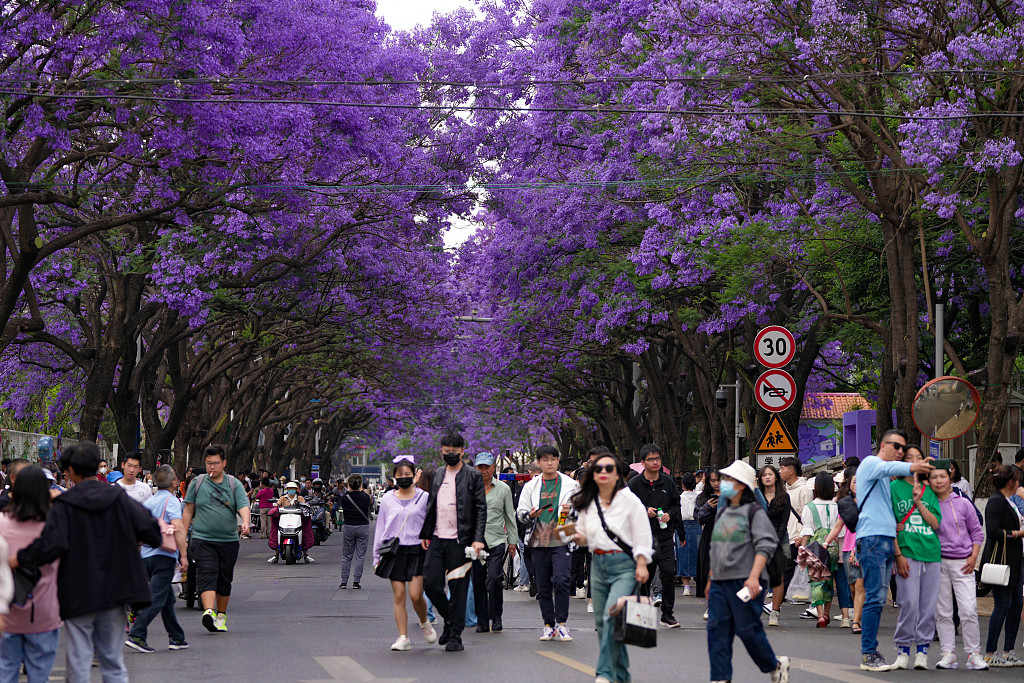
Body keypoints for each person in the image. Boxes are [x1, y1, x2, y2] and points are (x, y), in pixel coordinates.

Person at [14, 442, 161, 683]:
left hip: (77, 591)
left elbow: (49, 546)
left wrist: (18, 558)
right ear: (96, 467)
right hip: (116, 591)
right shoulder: (119, 499)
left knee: (79, 663)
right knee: (113, 662)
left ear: (70, 470)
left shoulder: (65, 505)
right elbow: (152, 531)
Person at [854, 429, 934, 671]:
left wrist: (898, 552)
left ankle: (871, 653)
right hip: (874, 540)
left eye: (903, 448)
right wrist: (914, 467)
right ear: (882, 445)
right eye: (897, 447)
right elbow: (891, 469)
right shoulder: (871, 463)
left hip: (885, 541)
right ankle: (868, 654)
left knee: (879, 599)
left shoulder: (884, 480)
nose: (900, 452)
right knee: (875, 599)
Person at [569, 453, 652, 683]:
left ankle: (604, 674)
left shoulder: (630, 501)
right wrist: (574, 536)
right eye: (598, 469)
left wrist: (642, 564)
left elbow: (643, 535)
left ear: (618, 475)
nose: (603, 473)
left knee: (611, 619)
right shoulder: (589, 502)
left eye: (609, 468)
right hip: (597, 566)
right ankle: (622, 676)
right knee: (603, 625)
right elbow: (584, 535)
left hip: (625, 566)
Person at [707, 460, 790, 683]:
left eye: (728, 480)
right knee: (716, 629)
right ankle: (720, 678)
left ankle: (775, 665)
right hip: (720, 582)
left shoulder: (754, 512)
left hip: (745, 581)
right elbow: (716, 547)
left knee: (748, 630)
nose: (723, 483)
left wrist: (754, 577)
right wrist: (710, 578)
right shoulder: (723, 512)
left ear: (742, 485)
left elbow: (765, 545)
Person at [419, 433, 487, 652]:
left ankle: (455, 635)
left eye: (454, 451)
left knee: (458, 589)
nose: (450, 454)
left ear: (462, 451)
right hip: (437, 539)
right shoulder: (438, 474)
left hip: (462, 541)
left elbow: (480, 509)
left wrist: (477, 540)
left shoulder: (472, 476)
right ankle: (449, 620)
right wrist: (426, 533)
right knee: (430, 584)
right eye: (446, 451)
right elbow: (432, 505)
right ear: (441, 451)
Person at [181, 445, 251, 634]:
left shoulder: (233, 483)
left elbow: (244, 505)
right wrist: (183, 536)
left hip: (228, 540)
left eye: (216, 463)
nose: (212, 467)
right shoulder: (197, 483)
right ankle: (209, 612)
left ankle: (221, 615)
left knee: (224, 579)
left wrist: (245, 522)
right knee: (207, 573)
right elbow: (188, 510)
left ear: (224, 463)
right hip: (202, 539)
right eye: (209, 463)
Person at [0, 467, 61, 683]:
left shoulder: (1, 523)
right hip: (43, 613)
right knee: (39, 676)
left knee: (6, 672)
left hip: (6, 614)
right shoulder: (54, 526)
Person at [516, 445, 580, 642]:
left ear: (558, 460)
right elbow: (520, 513)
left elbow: (581, 512)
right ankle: (548, 625)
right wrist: (530, 515)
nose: (549, 462)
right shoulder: (531, 486)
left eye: (553, 458)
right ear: (538, 462)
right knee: (543, 586)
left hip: (563, 539)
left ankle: (561, 624)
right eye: (545, 459)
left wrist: (570, 511)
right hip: (538, 541)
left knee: (561, 581)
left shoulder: (570, 484)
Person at [926, 462, 987, 670]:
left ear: (950, 477)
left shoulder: (962, 502)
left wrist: (974, 556)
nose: (939, 480)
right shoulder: (927, 504)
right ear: (929, 480)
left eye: (942, 476)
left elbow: (977, 531)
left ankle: (973, 654)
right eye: (934, 477)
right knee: (942, 611)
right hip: (937, 562)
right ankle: (948, 654)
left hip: (963, 562)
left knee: (969, 609)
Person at [373, 457, 436, 651]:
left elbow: (432, 522)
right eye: (399, 475)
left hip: (418, 549)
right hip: (395, 551)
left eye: (407, 474)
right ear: (393, 477)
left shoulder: (424, 497)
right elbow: (381, 527)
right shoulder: (387, 499)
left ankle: (424, 621)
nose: (403, 478)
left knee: (416, 595)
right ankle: (403, 637)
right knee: (399, 595)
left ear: (414, 474)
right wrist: (376, 556)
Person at [125, 465, 189, 654]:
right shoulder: (172, 501)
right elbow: (178, 528)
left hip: (145, 555)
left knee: (166, 598)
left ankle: (177, 637)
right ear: (173, 482)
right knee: (156, 598)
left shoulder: (149, 502)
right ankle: (137, 634)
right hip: (164, 556)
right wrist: (183, 555)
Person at [889, 444, 942, 669]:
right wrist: (898, 555)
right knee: (908, 603)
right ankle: (903, 649)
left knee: (928, 606)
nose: (914, 461)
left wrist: (919, 502)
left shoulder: (930, 491)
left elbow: (936, 524)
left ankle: (922, 651)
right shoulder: (894, 488)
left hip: (931, 552)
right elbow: (890, 524)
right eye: (909, 458)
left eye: (918, 457)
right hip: (906, 553)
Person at [627, 444, 682, 628]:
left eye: (657, 458)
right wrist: (644, 510)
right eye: (650, 459)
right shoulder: (634, 484)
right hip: (643, 539)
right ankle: (642, 614)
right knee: (644, 578)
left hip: (665, 537)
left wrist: (670, 515)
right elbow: (626, 508)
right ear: (643, 463)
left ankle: (667, 614)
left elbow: (677, 506)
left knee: (668, 573)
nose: (655, 462)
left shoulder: (668, 482)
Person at [981, 464, 1024, 667]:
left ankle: (1008, 651)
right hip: (1001, 561)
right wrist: (1017, 534)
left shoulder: (1009, 500)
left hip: (1015, 560)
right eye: (1017, 480)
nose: (1019, 484)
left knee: (1016, 605)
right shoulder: (996, 501)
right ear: (1010, 482)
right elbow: (993, 532)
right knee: (1003, 605)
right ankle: (990, 652)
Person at [473, 452, 518, 633]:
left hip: (497, 541)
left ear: (493, 468)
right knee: (477, 582)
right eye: (480, 467)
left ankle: (496, 617)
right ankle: (482, 620)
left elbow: (509, 516)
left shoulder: (503, 489)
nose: (484, 470)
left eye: (487, 467)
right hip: (475, 543)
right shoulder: (470, 488)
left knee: (494, 579)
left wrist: (513, 542)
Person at [824, 468, 863, 632]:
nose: (857, 484)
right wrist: (826, 543)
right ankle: (857, 614)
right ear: (849, 485)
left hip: (864, 547)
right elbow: (837, 526)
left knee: (861, 585)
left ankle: (857, 621)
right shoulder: (845, 504)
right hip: (847, 549)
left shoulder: (870, 503)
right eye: (855, 481)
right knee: (853, 586)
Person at [800, 472, 838, 629]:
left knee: (816, 581)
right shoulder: (837, 506)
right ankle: (828, 613)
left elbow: (807, 530)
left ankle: (820, 614)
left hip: (816, 548)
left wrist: (802, 547)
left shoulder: (810, 507)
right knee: (829, 581)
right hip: (833, 547)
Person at [778, 456, 813, 617]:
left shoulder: (804, 490)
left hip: (797, 538)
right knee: (785, 569)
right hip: (787, 535)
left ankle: (777, 604)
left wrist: (801, 536)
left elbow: (807, 515)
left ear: (791, 471)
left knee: (788, 569)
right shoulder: (785, 489)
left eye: (782, 468)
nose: (780, 471)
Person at [757, 465, 790, 627]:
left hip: (780, 538)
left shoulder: (784, 496)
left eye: (770, 474)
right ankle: (755, 609)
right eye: (764, 475)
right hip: (759, 539)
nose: (768, 477)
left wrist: (777, 539)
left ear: (776, 477)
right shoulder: (757, 497)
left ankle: (775, 612)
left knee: (779, 576)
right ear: (760, 479)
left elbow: (785, 521)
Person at [339, 474, 373, 589]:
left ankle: (344, 581)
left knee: (346, 556)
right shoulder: (365, 497)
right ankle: (356, 582)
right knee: (360, 556)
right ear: (360, 485)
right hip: (363, 526)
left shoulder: (344, 498)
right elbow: (368, 505)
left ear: (349, 485)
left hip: (349, 527)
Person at [695, 469, 721, 607]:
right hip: (709, 535)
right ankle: (710, 603)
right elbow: (699, 519)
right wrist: (708, 507)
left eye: (719, 480)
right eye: (713, 480)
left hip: (728, 537)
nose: (716, 483)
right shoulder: (703, 498)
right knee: (708, 568)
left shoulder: (731, 496)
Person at [679, 472, 702, 598]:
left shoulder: (679, 498)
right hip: (697, 525)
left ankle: (686, 586)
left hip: (682, 526)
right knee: (698, 555)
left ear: (682, 484)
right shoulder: (699, 496)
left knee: (683, 555)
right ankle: (698, 583)